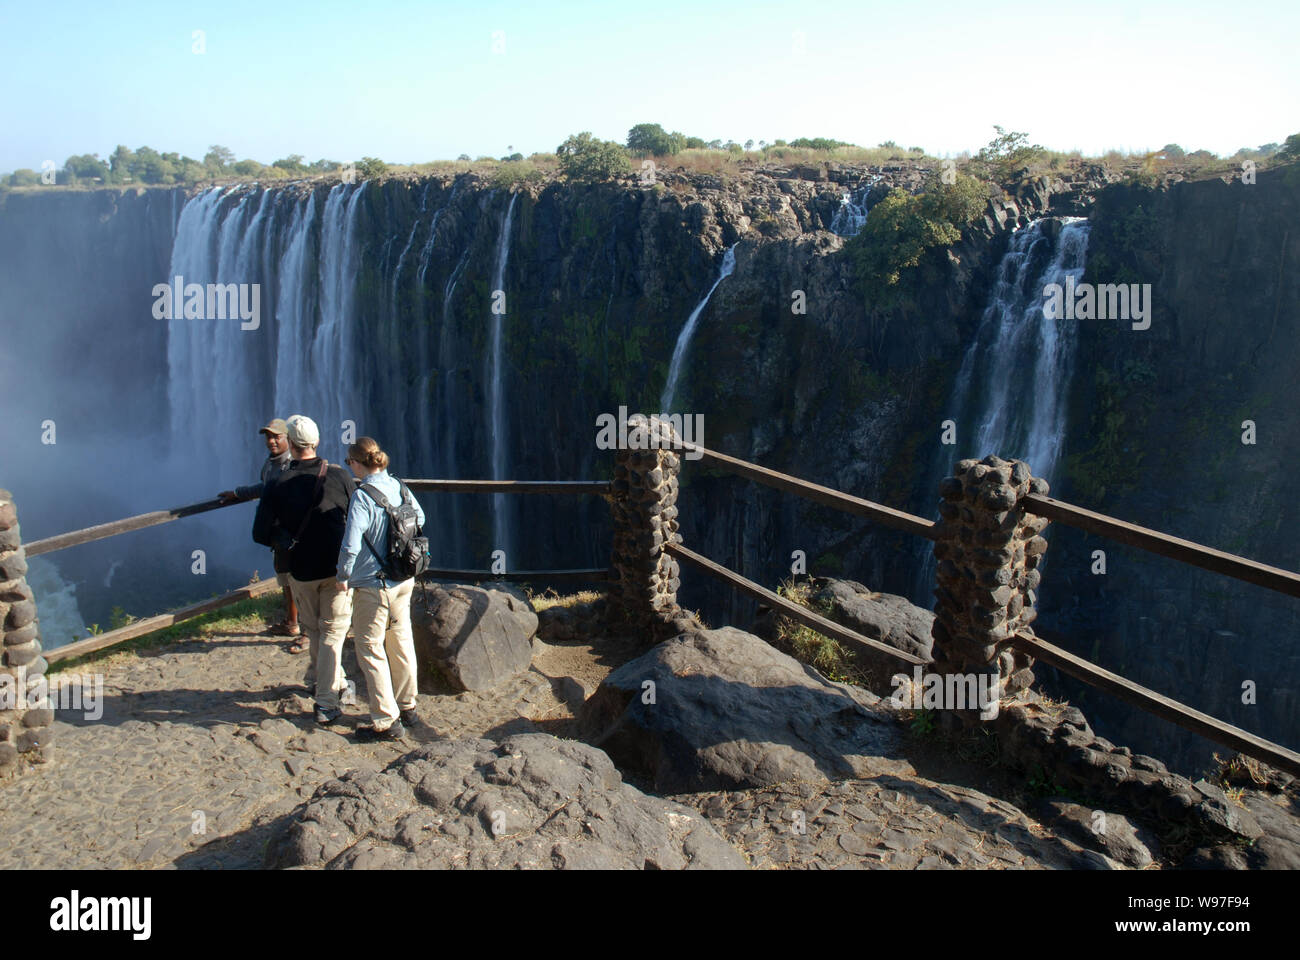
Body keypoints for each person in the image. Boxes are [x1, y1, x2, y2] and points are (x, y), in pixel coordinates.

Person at [253, 414, 357, 725]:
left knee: (317, 631)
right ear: (316, 443)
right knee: (331, 633)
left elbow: (259, 534)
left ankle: (322, 689)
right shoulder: (340, 477)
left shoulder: (277, 483)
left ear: (292, 445)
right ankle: (328, 698)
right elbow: (358, 522)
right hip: (337, 572)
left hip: (301, 572)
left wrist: (282, 537)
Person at [336, 436, 424, 742]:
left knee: (370, 648)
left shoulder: (362, 497)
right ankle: (408, 706)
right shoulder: (399, 486)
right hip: (403, 580)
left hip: (374, 585)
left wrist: (342, 576)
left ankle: (387, 721)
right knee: (401, 640)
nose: (350, 468)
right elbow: (420, 519)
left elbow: (350, 545)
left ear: (358, 462)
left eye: (350, 463)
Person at [219, 418, 300, 642]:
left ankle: (296, 624)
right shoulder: (271, 462)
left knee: (293, 578)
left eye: (277, 436)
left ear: (289, 439)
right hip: (277, 531)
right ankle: (292, 621)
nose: (271, 441)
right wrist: (237, 492)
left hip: (290, 531)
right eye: (268, 437)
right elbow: (265, 488)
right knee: (285, 577)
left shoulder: (291, 464)